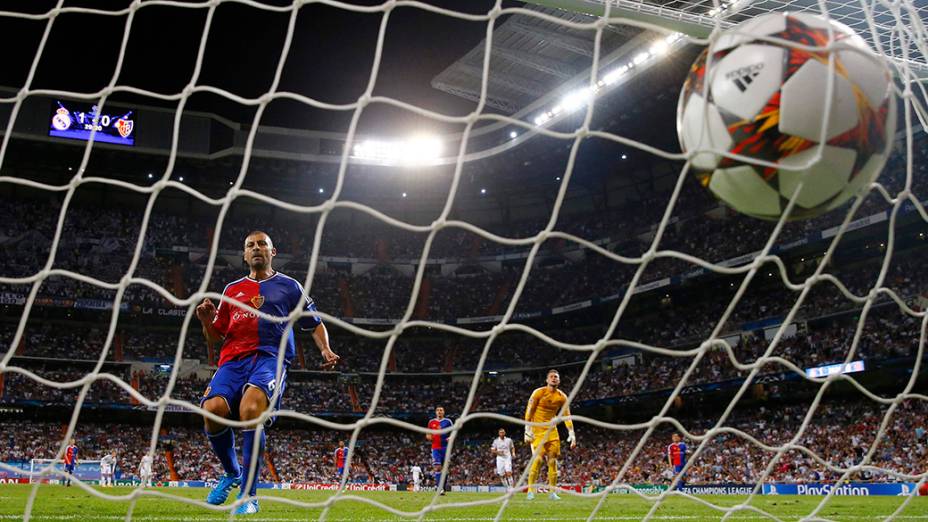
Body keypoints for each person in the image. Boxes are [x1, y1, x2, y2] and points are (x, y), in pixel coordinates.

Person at [196, 231, 339, 515]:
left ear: (273, 252)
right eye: (251, 245)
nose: (257, 248)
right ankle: (232, 473)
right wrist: (205, 321)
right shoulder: (231, 289)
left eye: (263, 244)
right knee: (211, 411)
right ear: (244, 255)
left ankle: (248, 496)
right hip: (233, 361)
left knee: (250, 409)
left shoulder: (289, 286)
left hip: (270, 358)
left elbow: (315, 323)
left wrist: (325, 349)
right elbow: (215, 337)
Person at [524, 369, 576, 501]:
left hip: (552, 431)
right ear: (547, 380)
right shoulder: (538, 392)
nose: (554, 378)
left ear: (559, 380)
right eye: (552, 377)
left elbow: (567, 415)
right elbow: (529, 411)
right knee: (538, 460)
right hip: (537, 430)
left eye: (556, 377)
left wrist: (571, 432)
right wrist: (527, 429)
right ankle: (530, 490)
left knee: (552, 461)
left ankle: (552, 493)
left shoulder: (562, 396)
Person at [426, 406, 453, 495]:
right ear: (435, 412)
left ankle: (443, 487)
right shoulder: (431, 422)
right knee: (437, 468)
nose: (439, 412)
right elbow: (428, 434)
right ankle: (439, 488)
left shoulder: (448, 421)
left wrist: (450, 437)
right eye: (438, 410)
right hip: (435, 448)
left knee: (445, 469)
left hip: (446, 448)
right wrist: (429, 437)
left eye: (441, 410)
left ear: (444, 412)